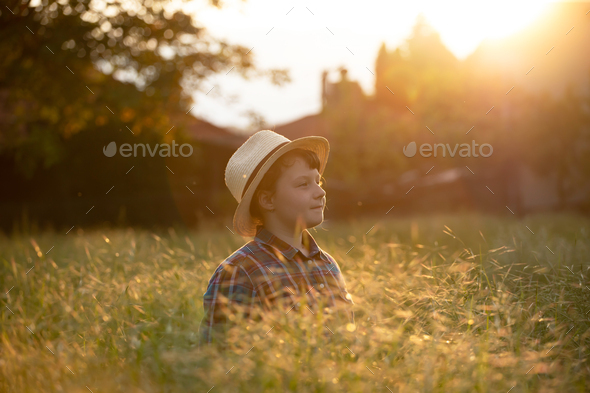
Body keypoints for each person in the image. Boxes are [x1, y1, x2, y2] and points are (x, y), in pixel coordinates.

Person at [198, 130, 355, 350]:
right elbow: (217, 359)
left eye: (318, 181)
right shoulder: (240, 272)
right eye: (303, 184)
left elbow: (348, 344)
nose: (320, 192)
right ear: (268, 200)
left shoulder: (327, 265)